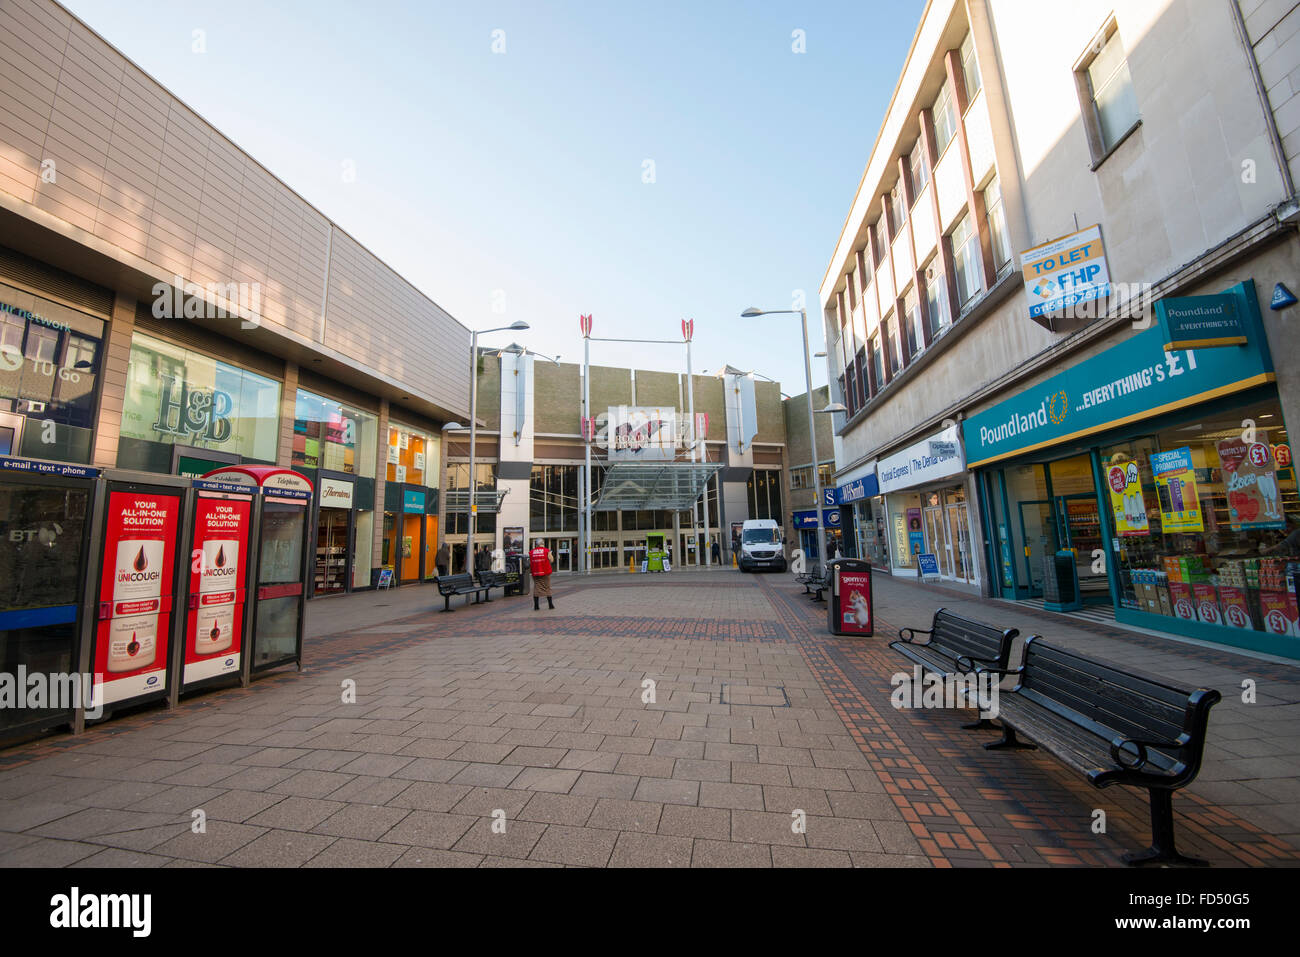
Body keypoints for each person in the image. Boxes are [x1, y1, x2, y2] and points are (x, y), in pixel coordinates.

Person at [529, 539, 555, 610]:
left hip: (535, 572)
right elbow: (551, 560)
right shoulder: (546, 551)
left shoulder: (531, 552)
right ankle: (550, 605)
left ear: (536, 544)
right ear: (543, 543)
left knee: (536, 588)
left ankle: (536, 606)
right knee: (547, 587)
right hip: (545, 572)